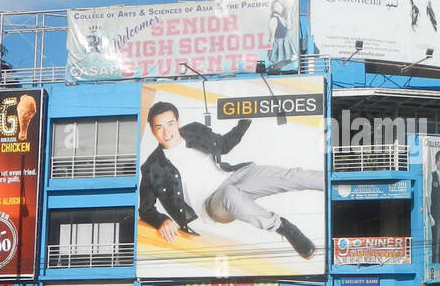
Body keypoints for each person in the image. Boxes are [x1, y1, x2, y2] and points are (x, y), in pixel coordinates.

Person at [138, 101, 323, 259]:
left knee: (291, 175)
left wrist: (245, 121)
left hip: (234, 176)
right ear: (153, 131)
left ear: (178, 122)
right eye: (159, 127)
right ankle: (283, 227)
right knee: (230, 193)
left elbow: (224, 145)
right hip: (213, 204)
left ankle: (331, 181)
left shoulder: (193, 130)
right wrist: (162, 220)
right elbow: (146, 209)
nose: (166, 132)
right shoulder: (152, 166)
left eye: (170, 124)